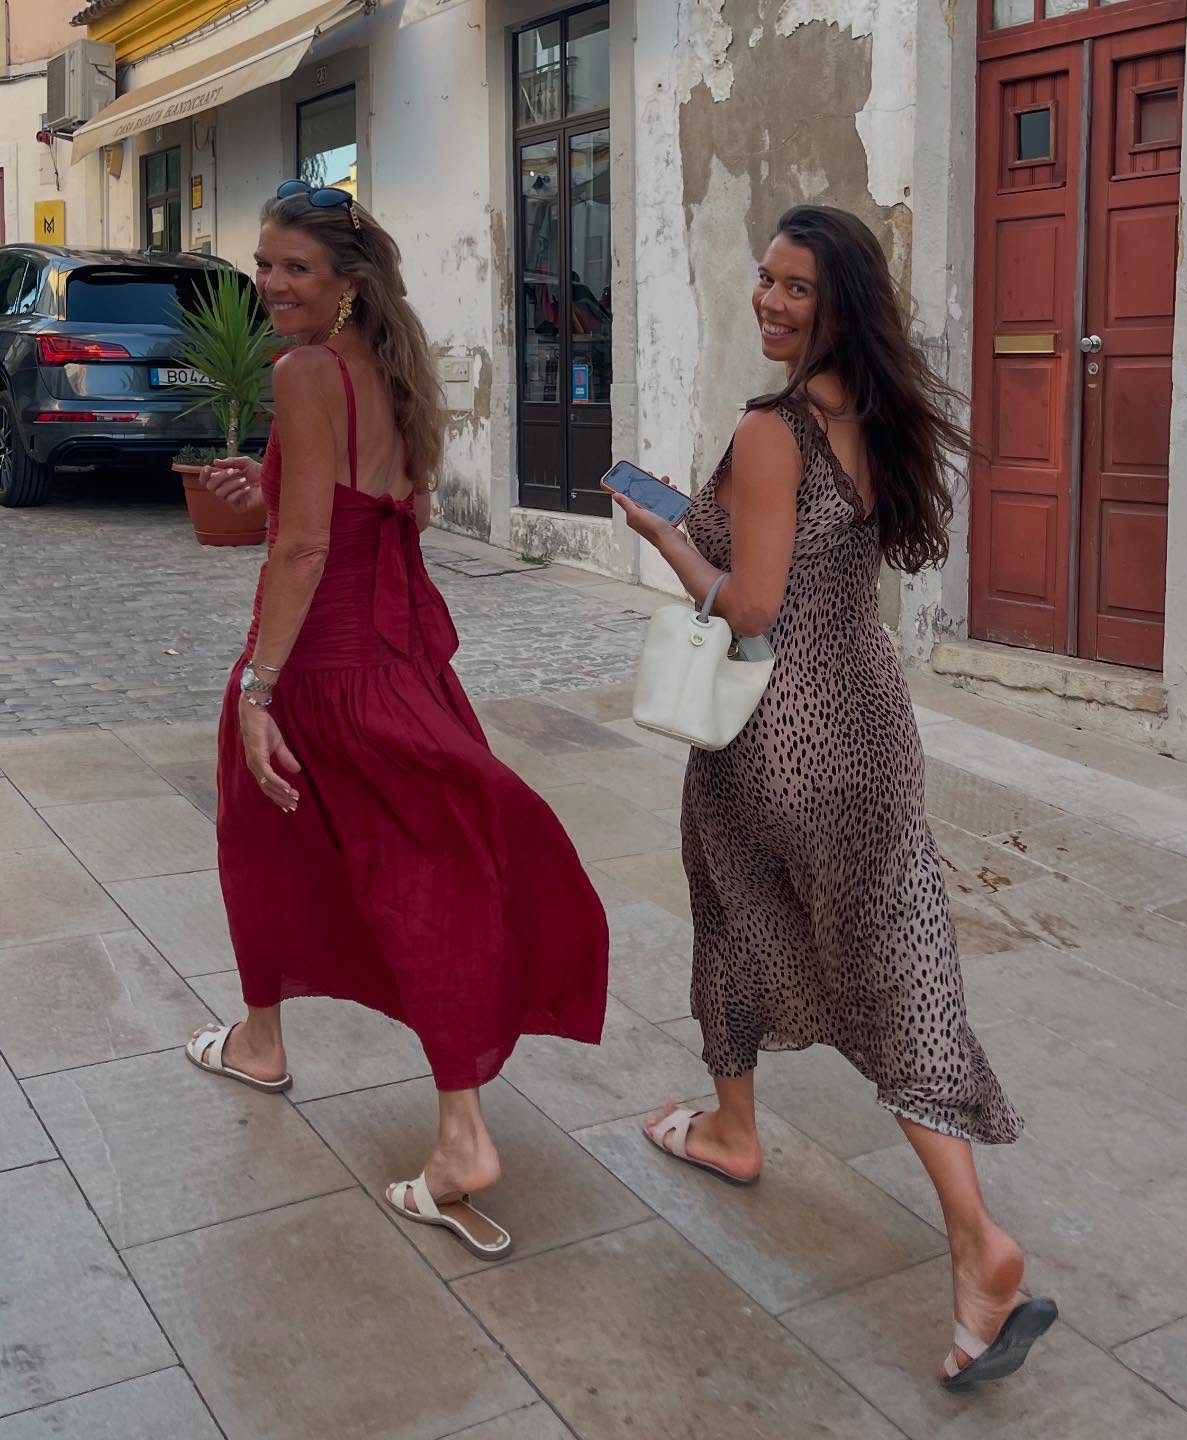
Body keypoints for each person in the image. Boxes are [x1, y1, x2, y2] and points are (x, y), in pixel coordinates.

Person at [614, 205, 1056, 1387]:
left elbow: (748, 606)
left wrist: (666, 533)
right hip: (870, 724)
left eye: (796, 287)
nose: (769, 300)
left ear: (839, 303)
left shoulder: (773, 431)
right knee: (896, 970)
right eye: (764, 279)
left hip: (775, 734)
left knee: (737, 911)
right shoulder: (875, 418)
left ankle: (748, 1135)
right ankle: (961, 1235)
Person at [186, 181, 608, 1259]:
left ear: (347, 282)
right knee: (302, 842)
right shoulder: (391, 366)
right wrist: (268, 483)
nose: (270, 285)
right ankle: (262, 1039)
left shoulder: (307, 371)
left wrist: (258, 689)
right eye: (265, 264)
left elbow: (306, 550)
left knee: (400, 873)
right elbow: (372, 509)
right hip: (395, 654)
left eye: (294, 268)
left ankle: (459, 1133)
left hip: (328, 663)